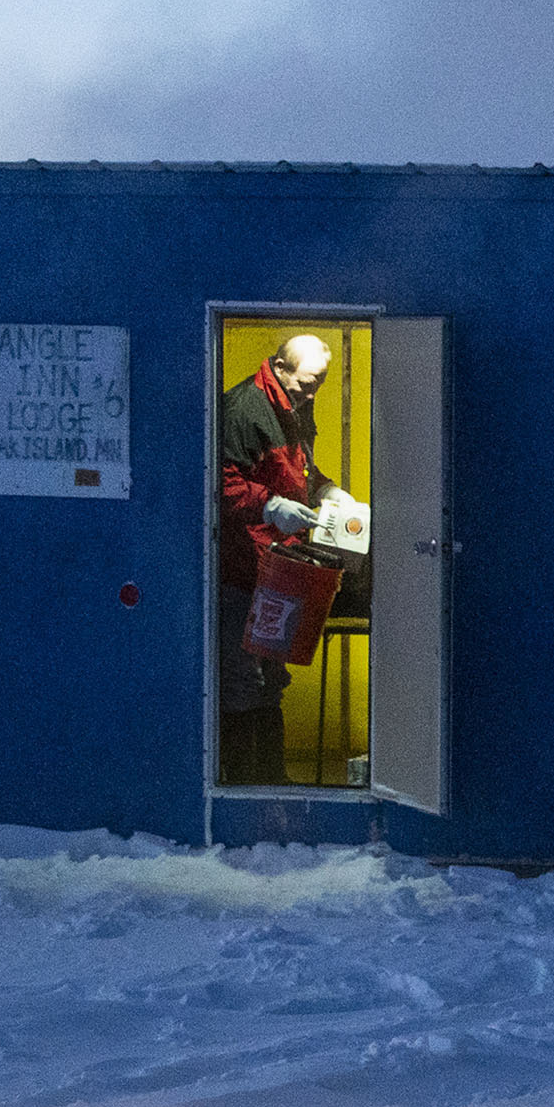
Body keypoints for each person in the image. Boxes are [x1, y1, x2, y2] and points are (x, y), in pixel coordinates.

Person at [216, 334, 333, 786]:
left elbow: (296, 468)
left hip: (278, 569)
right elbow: (221, 480)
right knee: (244, 680)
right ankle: (245, 783)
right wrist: (270, 506)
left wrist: (323, 488)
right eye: (306, 382)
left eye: (319, 384)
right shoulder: (245, 410)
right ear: (281, 368)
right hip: (243, 570)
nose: (311, 392)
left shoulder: (294, 404)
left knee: (270, 679)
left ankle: (270, 778)